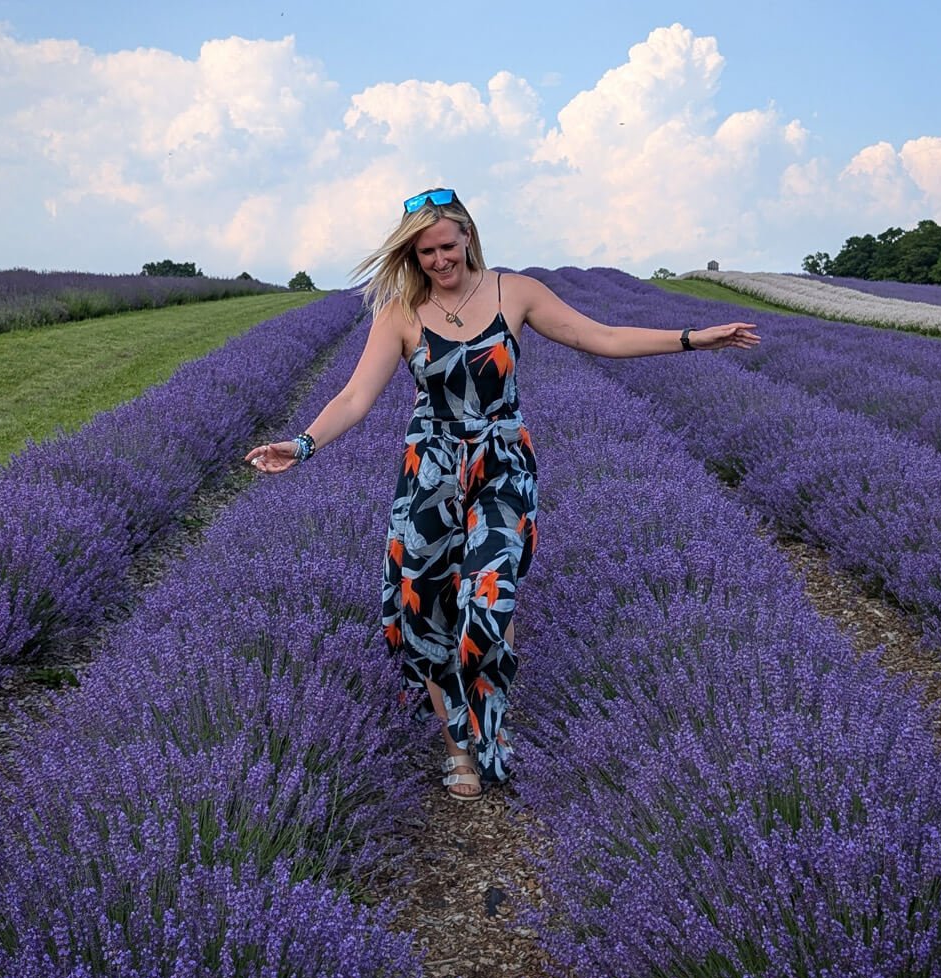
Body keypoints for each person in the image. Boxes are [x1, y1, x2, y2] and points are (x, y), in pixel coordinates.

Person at [245, 187, 759, 801]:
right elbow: (355, 398)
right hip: (430, 474)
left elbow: (600, 337)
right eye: (424, 252)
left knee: (488, 605)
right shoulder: (401, 313)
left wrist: (692, 339)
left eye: (446, 246)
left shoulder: (513, 292)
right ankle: (459, 747)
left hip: (503, 467)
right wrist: (301, 446)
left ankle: (492, 725)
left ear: (467, 236)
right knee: (426, 607)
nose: (439, 260)